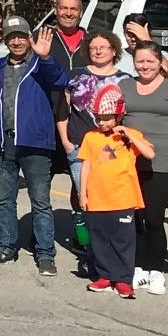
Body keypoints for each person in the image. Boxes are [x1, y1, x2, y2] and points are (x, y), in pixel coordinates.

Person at [0, 16, 68, 276]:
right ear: (6, 40)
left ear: (29, 38)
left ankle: (45, 253)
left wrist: (45, 57)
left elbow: (60, 80)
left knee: (40, 200)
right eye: (11, 37)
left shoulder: (40, 65)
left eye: (21, 36)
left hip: (35, 143)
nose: (17, 41)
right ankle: (6, 245)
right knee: (4, 199)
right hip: (4, 141)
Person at [117, 41, 168, 294]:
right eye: (140, 61)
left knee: (153, 218)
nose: (145, 66)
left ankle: (156, 269)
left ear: (160, 62)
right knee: (132, 217)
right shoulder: (125, 86)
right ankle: (137, 265)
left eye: (150, 61)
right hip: (129, 162)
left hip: (163, 161)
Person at [59, 32, 131, 266]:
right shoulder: (75, 76)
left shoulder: (125, 80)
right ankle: (88, 250)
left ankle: (107, 252)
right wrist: (67, 142)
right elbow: (62, 112)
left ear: (114, 50)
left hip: (112, 152)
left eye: (104, 47)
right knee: (85, 201)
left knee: (108, 202)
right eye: (93, 47)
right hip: (80, 147)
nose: (98, 51)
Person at [78, 85, 152, 299]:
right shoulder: (91, 137)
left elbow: (149, 153)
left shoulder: (129, 136)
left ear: (119, 115)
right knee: (100, 239)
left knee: (123, 241)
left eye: (107, 118)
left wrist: (129, 135)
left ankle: (122, 279)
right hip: (97, 199)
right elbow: (86, 166)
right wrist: (83, 193)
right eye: (99, 118)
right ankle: (104, 276)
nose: (102, 123)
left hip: (123, 199)